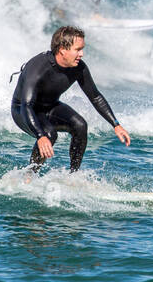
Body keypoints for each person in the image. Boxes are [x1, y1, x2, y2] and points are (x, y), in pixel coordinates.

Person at [10, 25, 131, 172]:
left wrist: (116, 125)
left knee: (80, 125)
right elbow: (26, 105)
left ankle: (73, 176)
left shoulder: (79, 68)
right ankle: (29, 174)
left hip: (50, 106)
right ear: (63, 50)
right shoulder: (37, 68)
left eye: (82, 49)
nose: (81, 54)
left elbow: (95, 96)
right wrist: (40, 136)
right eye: (78, 49)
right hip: (23, 110)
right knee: (49, 134)